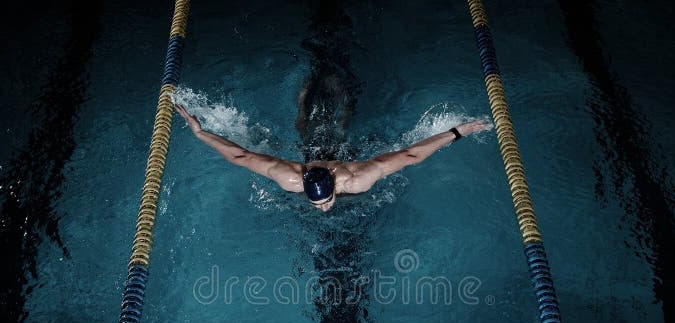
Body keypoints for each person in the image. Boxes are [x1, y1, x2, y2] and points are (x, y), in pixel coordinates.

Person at [174, 104, 492, 212]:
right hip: (311, 155)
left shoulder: (358, 178)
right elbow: (241, 156)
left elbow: (410, 154)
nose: (325, 209)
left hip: (344, 157)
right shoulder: (289, 176)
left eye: (324, 202)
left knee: (343, 130)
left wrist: (457, 131)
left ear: (336, 183)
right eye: (319, 205)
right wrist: (200, 133)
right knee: (305, 125)